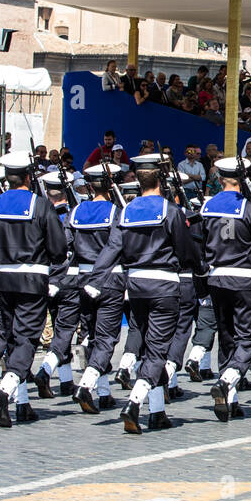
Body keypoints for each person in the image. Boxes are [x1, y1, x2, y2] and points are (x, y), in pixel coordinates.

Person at [84, 152, 200, 433]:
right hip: (164, 285)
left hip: (135, 287)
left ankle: (158, 411)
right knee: (159, 348)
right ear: (160, 181)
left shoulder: (126, 212)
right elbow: (185, 250)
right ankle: (135, 402)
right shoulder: (170, 211)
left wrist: (95, 280)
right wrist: (199, 268)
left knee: (149, 347)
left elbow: (112, 249)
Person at [0, 151, 69, 428]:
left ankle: (22, 404)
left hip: (1, 281)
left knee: (10, 340)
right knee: (25, 340)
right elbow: (58, 248)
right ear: (28, 177)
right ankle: (5, 391)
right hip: (32, 281)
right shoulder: (39, 204)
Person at [198, 157, 251, 422]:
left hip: (216, 278)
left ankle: (230, 399)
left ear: (220, 179)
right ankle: (228, 381)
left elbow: (200, 243)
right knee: (247, 338)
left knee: (226, 336)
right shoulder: (249, 209)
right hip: (244, 278)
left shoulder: (207, 207)